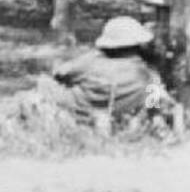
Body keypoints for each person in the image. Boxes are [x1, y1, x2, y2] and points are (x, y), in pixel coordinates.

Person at [38, 15, 167, 124]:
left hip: (77, 113)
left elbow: (59, 74)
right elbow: (154, 108)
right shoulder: (151, 76)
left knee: (43, 83)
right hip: (116, 118)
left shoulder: (92, 61)